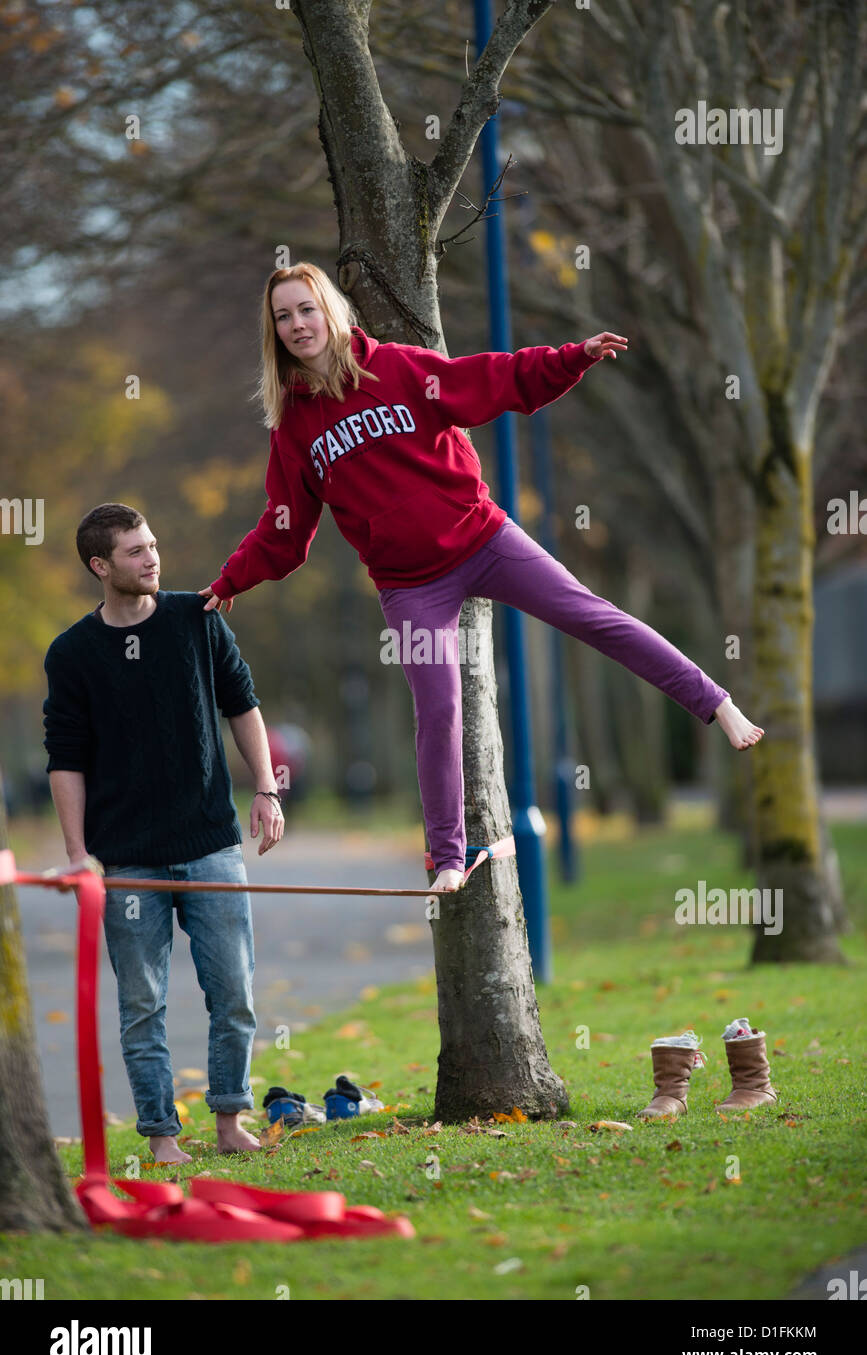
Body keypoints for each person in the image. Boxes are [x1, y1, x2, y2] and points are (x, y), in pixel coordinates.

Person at [199, 263, 763, 893]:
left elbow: (492, 380)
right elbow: (283, 528)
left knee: (593, 615)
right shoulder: (294, 428)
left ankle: (716, 703)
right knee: (438, 708)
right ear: (273, 333)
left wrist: (571, 358)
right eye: (283, 317)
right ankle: (446, 857)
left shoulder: (402, 369)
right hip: (409, 585)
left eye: (306, 309)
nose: (297, 325)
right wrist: (229, 581)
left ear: (331, 311)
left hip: (484, 539)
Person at [43, 503, 285, 1164]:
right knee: (142, 1003)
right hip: (124, 860)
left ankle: (231, 1119)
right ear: (100, 565)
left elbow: (243, 705)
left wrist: (265, 788)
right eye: (134, 551)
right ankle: (160, 1136)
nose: (151, 558)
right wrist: (77, 856)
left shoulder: (197, 619)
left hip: (210, 843)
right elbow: (64, 760)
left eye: (152, 545)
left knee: (233, 993)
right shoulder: (72, 654)